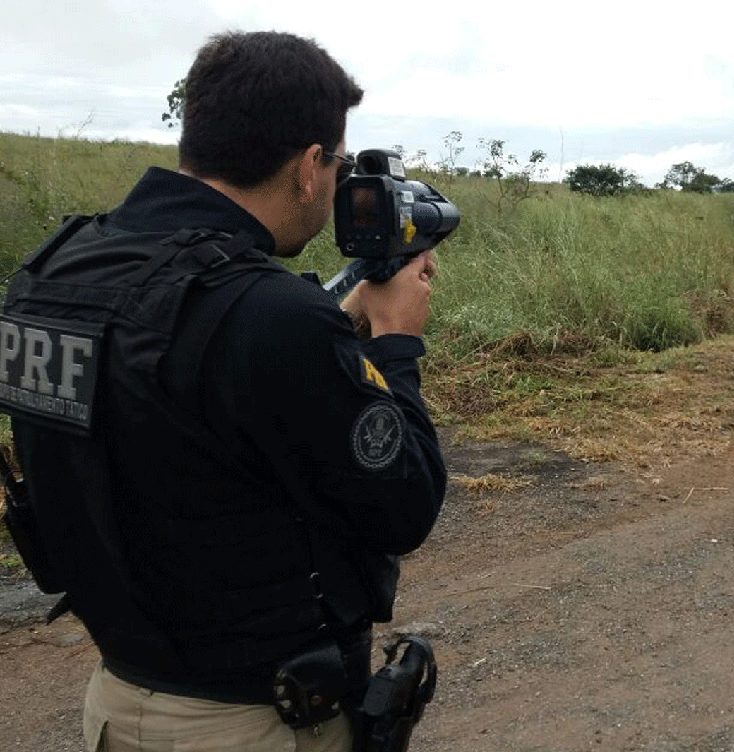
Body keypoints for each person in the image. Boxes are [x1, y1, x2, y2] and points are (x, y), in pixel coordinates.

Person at [0, 30, 446, 751]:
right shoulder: (267, 314)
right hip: (255, 722)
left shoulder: (54, 274)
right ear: (308, 167)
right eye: (333, 164)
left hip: (118, 702)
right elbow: (404, 504)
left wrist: (326, 337)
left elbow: (175, 409)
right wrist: (394, 342)